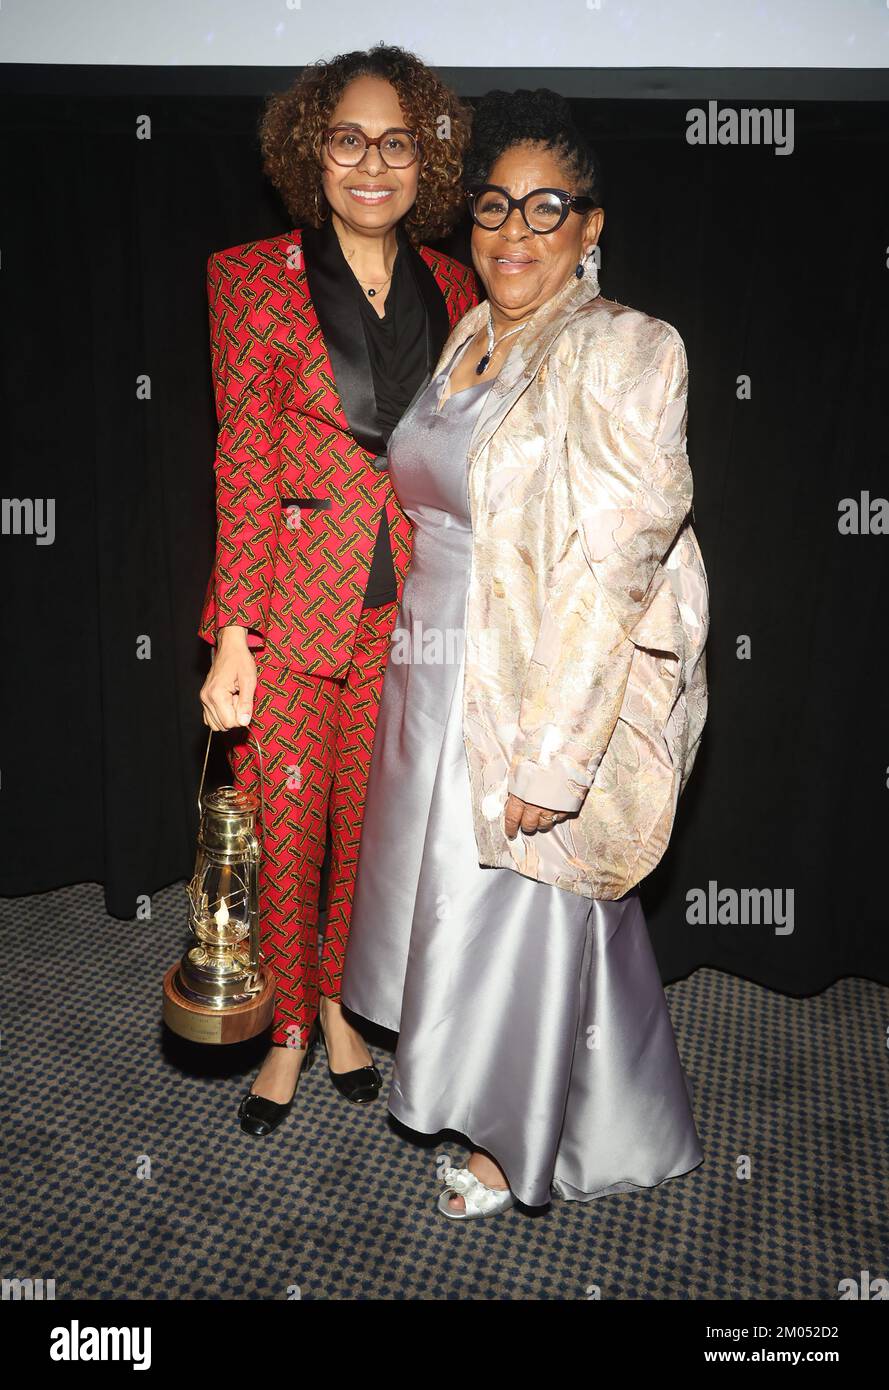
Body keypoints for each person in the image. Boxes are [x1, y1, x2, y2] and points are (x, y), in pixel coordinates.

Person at [341, 88, 710, 1216]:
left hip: (531, 686)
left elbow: (612, 570)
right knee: (465, 902)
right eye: (493, 207)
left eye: (545, 209)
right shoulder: (475, 332)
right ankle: (540, 1092)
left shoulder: (623, 349)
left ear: (589, 227)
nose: (512, 232)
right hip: (433, 667)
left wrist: (556, 756)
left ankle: (518, 1137)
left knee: (525, 904)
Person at [198, 46, 477, 1135]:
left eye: (397, 142)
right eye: (349, 139)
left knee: (367, 833)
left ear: (425, 162)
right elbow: (243, 463)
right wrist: (233, 631)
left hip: (411, 613)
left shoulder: (454, 283)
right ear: (311, 151)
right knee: (287, 824)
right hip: (293, 608)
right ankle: (283, 1031)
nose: (373, 163)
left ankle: (337, 999)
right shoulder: (245, 278)